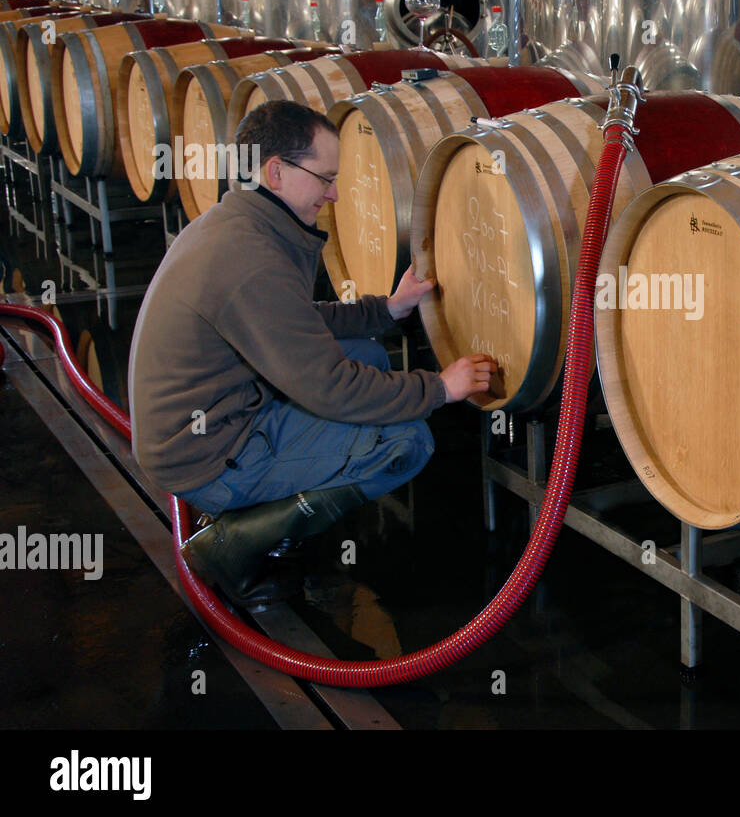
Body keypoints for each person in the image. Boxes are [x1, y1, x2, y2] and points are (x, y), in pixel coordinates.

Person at [128, 100, 496, 606]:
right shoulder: (250, 258)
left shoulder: (240, 223)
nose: (336, 192)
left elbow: (298, 321)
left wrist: (386, 309)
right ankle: (237, 539)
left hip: (215, 421)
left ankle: (257, 507)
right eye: (324, 178)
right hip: (207, 458)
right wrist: (440, 388)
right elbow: (327, 386)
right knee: (407, 440)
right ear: (276, 171)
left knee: (365, 354)